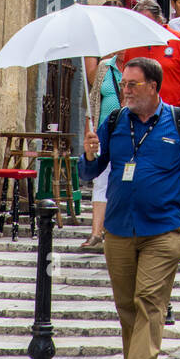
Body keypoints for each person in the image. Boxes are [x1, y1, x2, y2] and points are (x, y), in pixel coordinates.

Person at [79, 55, 180, 359]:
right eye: (123, 84)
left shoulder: (179, 121)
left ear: (153, 87)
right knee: (128, 308)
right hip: (118, 230)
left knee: (149, 301)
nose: (124, 91)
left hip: (162, 231)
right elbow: (89, 173)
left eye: (132, 84)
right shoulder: (114, 121)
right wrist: (90, 154)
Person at [121, 0, 180, 107]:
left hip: (172, 110)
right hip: (139, 111)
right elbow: (125, 81)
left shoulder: (179, 40)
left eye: (147, 22)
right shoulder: (132, 45)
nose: (143, 27)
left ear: (159, 21)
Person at [82, 48, 123, 251]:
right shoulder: (104, 67)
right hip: (103, 134)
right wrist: (89, 132)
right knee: (100, 182)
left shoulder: (138, 68)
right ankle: (96, 233)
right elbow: (93, 102)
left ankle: (115, 231)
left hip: (126, 135)